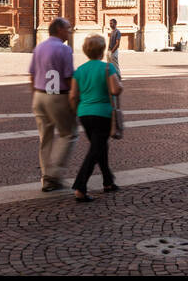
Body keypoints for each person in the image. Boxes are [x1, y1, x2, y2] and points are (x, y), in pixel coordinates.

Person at [69, 34, 122, 202]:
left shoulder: (79, 70)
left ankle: (108, 181)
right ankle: (80, 186)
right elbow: (115, 90)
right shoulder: (108, 68)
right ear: (102, 50)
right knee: (95, 150)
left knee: (99, 147)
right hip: (103, 114)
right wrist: (119, 85)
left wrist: (76, 112)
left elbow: (72, 96)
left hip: (84, 114)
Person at [30, 17, 77, 192]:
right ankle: (54, 175)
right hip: (56, 96)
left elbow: (32, 75)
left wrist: (36, 95)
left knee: (45, 138)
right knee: (69, 134)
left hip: (39, 95)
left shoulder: (39, 47)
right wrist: (74, 99)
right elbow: (67, 77)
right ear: (59, 30)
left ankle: (46, 178)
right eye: (68, 28)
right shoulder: (64, 49)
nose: (70, 31)